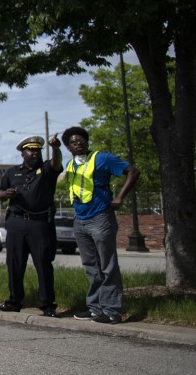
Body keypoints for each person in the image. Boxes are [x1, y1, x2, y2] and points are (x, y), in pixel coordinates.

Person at [61, 126, 139, 324]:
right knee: (91, 266)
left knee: (107, 265)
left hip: (100, 217)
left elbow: (132, 171)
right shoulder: (70, 164)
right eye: (73, 142)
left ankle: (112, 310)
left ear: (87, 142)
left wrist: (120, 198)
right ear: (68, 147)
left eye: (81, 140)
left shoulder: (102, 158)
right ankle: (95, 308)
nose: (78, 143)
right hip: (80, 219)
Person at [0, 135, 63, 317]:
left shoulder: (46, 169)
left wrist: (56, 148)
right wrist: (5, 194)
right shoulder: (12, 172)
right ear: (22, 153)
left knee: (43, 264)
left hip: (39, 223)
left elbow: (56, 163)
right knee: (14, 263)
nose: (35, 153)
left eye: (38, 150)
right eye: (31, 150)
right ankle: (14, 301)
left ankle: (47, 305)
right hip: (16, 222)